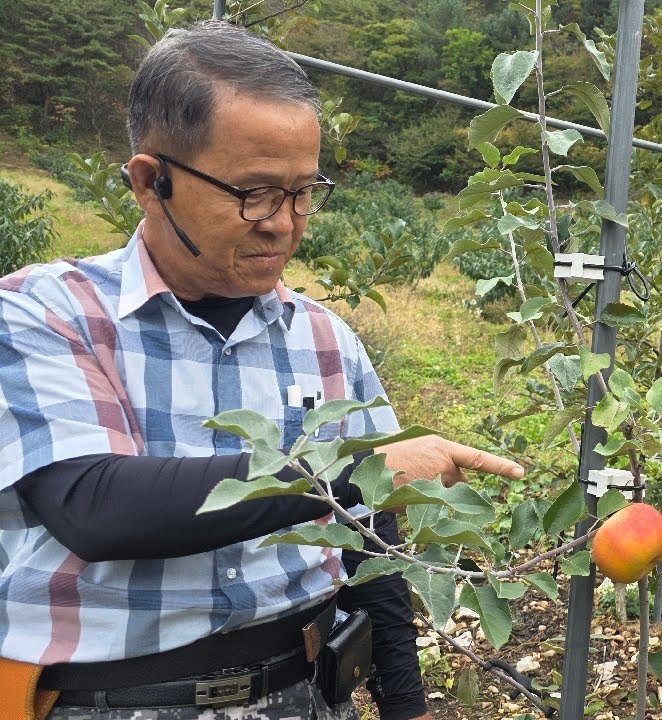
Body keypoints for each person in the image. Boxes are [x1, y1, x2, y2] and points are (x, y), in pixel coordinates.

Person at [0, 21, 523, 720]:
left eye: (305, 191)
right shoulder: (45, 312)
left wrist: (406, 702)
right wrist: (350, 470)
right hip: (105, 701)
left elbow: (371, 537)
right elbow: (95, 507)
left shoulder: (325, 339)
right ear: (150, 181)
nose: (284, 222)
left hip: (302, 692)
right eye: (255, 193)